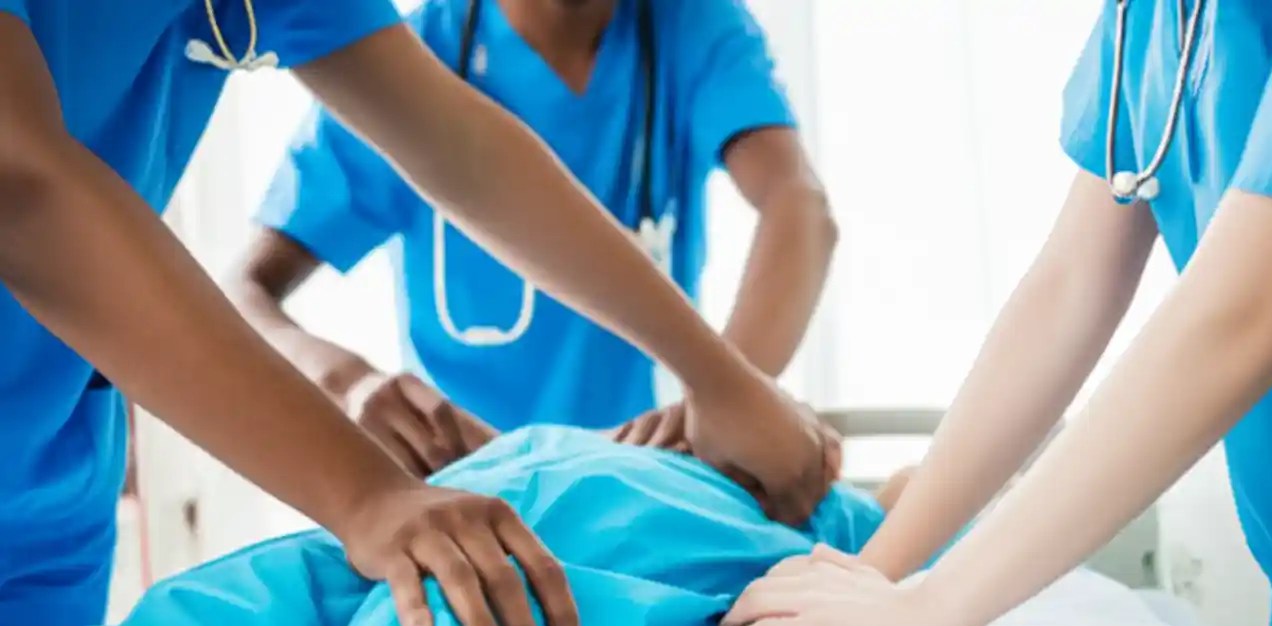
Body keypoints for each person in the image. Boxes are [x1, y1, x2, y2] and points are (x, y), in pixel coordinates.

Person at [0, 1, 834, 626]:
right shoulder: (447, 33)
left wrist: (723, 379)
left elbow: (460, 146)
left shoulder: (685, 30)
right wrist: (364, 485)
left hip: (55, 455)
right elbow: (20, 183)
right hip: (432, 502)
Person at [711, 0, 1272, 626]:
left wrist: (935, 602)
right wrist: (874, 573)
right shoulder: (1152, 18)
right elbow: (1071, 286)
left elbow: (1250, 306)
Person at [227, 0, 835, 468]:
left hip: (638, 480)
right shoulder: (406, 63)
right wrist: (345, 381)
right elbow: (242, 290)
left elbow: (798, 204)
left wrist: (731, 394)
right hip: (469, 486)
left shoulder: (687, 26)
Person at [45, 425, 872, 626]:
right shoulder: (646, 425)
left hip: (581, 548)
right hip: (452, 502)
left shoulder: (826, 510)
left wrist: (785, 436)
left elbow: (928, 515)